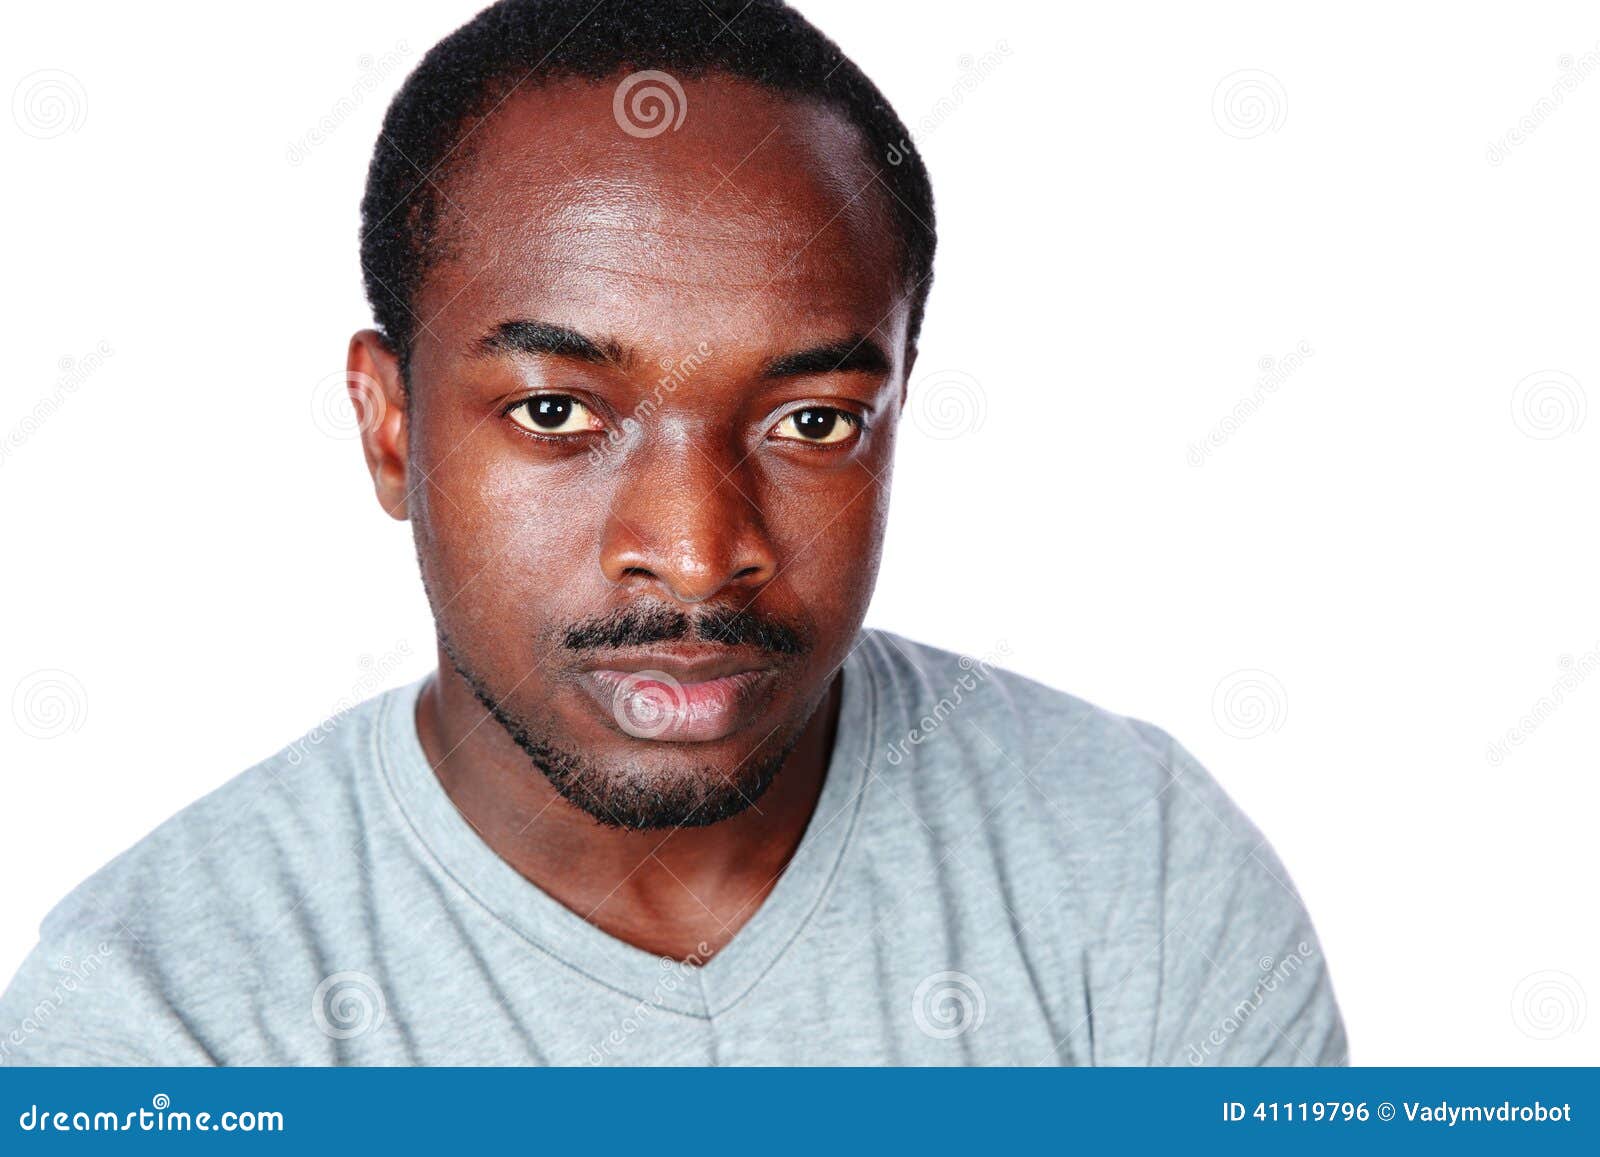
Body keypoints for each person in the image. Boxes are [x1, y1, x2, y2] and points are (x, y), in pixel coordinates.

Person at [0, 0, 1346, 1065]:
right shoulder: (159, 1025)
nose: (700, 553)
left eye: (812, 422)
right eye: (555, 409)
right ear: (391, 425)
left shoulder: (1140, 872)